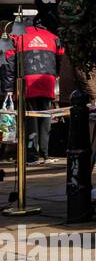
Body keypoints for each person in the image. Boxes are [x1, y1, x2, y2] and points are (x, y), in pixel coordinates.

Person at [3, 18, 63, 165]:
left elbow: (8, 63)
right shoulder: (52, 37)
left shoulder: (16, 36)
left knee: (30, 119)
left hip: (27, 82)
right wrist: (55, 75)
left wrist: (8, 88)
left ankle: (31, 156)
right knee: (45, 118)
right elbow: (61, 58)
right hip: (47, 80)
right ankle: (45, 154)